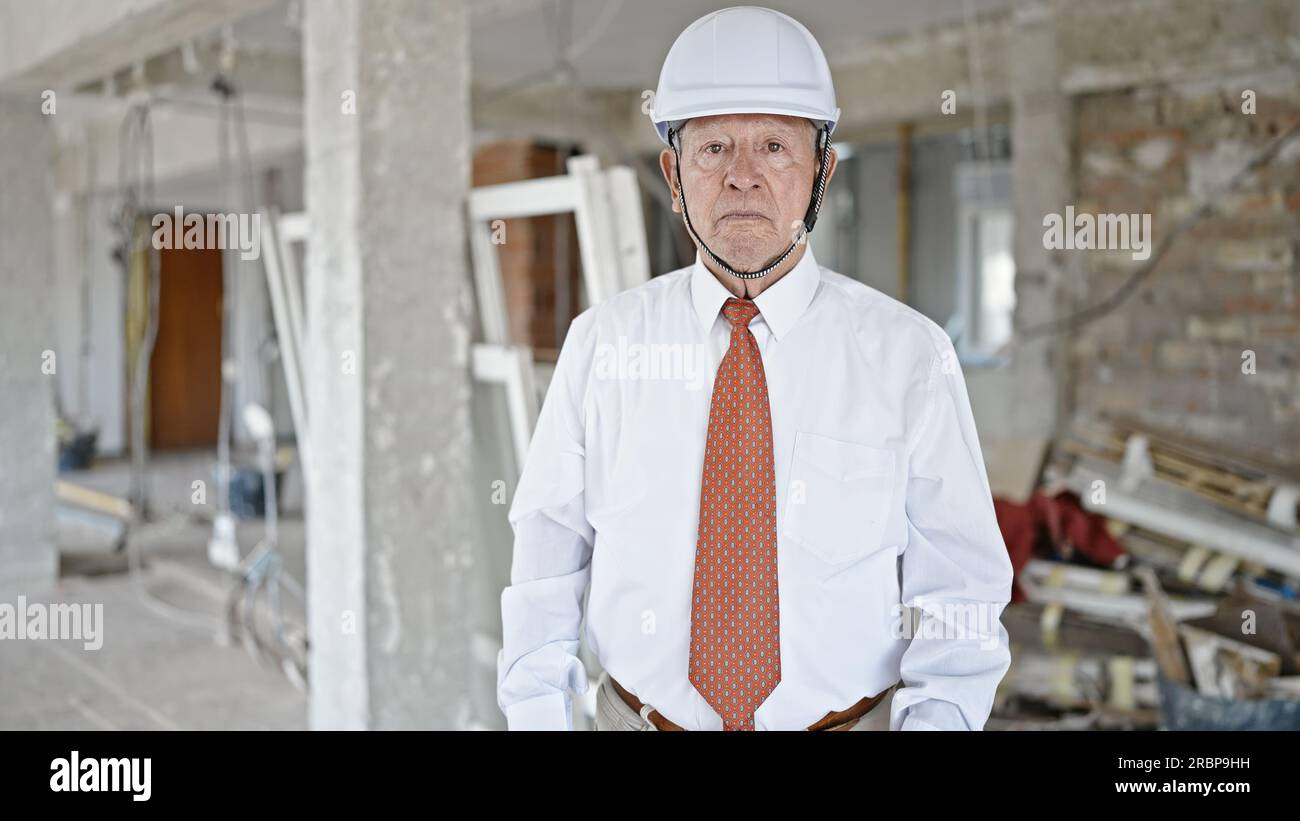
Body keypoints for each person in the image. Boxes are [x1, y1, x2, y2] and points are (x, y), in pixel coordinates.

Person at [497, 5, 1013, 731]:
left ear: (822, 173)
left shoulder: (909, 358)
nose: (742, 177)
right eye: (712, 149)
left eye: (774, 146)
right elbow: (543, 581)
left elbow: (959, 600)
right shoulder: (602, 347)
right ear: (673, 174)